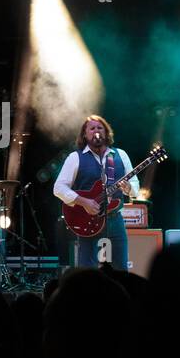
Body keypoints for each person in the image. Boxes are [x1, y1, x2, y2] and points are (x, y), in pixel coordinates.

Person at [53, 115, 138, 271]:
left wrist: (128, 188)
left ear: (106, 133)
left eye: (100, 128)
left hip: (115, 220)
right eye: (92, 128)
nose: (96, 131)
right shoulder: (75, 157)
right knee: (87, 271)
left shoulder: (120, 155)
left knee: (121, 270)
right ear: (85, 134)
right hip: (88, 221)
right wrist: (83, 201)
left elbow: (135, 186)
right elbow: (59, 188)